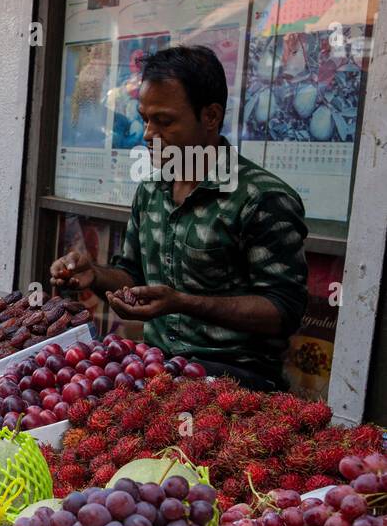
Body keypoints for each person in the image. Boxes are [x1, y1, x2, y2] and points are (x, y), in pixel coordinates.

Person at [51, 44, 307, 391]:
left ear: (211, 116)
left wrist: (183, 303)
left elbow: (283, 310)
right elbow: (131, 274)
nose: (147, 135)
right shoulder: (152, 190)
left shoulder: (262, 199)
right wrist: (92, 274)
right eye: (145, 119)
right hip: (155, 369)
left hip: (236, 384)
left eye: (164, 121)